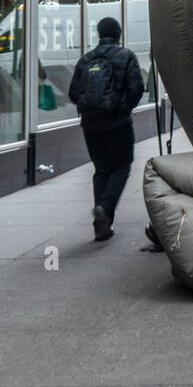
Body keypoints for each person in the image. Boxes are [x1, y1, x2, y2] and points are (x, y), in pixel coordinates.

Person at [69, 16, 145, 242]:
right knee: (121, 167)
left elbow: (74, 93)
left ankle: (102, 224)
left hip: (91, 125)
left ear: (99, 34)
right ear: (119, 34)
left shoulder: (86, 60)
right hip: (118, 123)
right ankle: (104, 208)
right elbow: (137, 88)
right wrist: (123, 108)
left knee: (101, 169)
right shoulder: (126, 56)